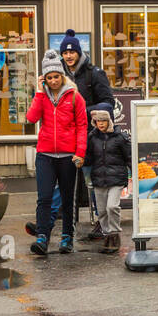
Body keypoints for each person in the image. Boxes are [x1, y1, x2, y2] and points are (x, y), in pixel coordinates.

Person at [25, 50, 86, 256]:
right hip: (45, 155)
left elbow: (82, 127)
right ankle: (42, 237)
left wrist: (80, 153)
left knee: (68, 199)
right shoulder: (42, 96)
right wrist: (39, 93)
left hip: (69, 156)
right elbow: (31, 118)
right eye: (49, 77)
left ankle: (67, 237)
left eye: (56, 77)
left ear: (62, 76)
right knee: (44, 198)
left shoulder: (75, 97)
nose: (53, 81)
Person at [56, 30, 115, 239]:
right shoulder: (58, 76)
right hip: (66, 136)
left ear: (79, 53)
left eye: (72, 52)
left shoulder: (94, 74)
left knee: (94, 181)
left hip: (91, 137)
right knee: (60, 179)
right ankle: (51, 219)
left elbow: (109, 102)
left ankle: (102, 222)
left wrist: (82, 111)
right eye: (65, 53)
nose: (69, 56)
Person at [85, 108, 129, 254]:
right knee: (102, 211)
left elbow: (129, 156)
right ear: (94, 122)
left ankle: (115, 235)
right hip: (99, 178)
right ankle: (107, 234)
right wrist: (80, 160)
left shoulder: (119, 137)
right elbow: (89, 157)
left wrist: (135, 174)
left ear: (109, 121)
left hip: (116, 178)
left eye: (103, 120)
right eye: (98, 121)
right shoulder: (92, 137)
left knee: (112, 207)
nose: (101, 124)